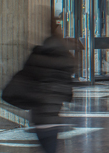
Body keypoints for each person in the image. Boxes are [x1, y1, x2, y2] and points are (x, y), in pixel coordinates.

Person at [22, 20, 74, 153]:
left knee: (47, 145)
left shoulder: (38, 55)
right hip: (53, 112)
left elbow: (26, 78)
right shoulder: (64, 57)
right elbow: (67, 85)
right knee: (50, 145)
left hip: (39, 113)